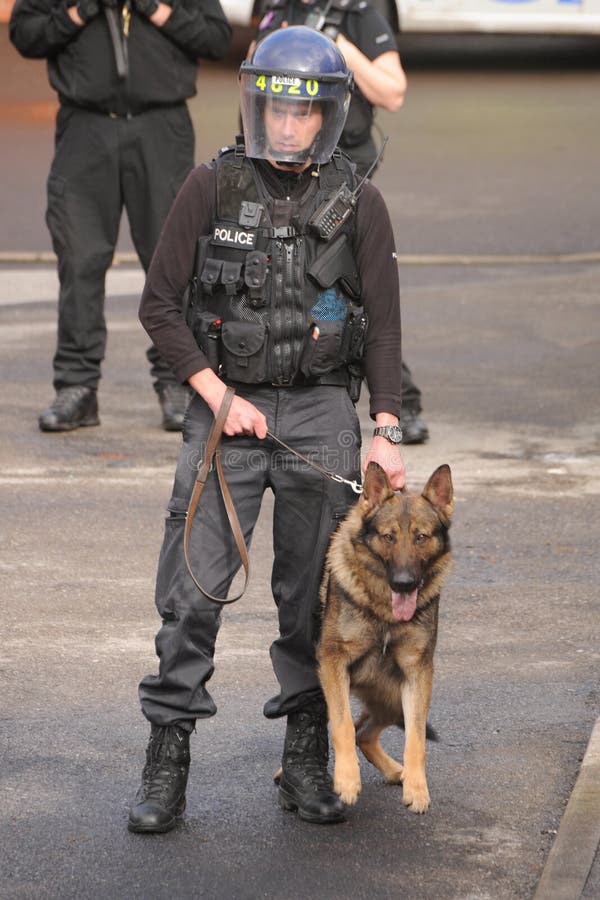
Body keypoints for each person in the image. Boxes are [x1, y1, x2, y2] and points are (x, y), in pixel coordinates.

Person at [127, 25, 406, 832]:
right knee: (192, 589)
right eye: (273, 111)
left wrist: (384, 428)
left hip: (321, 413)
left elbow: (384, 330)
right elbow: (159, 306)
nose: (286, 128)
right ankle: (167, 753)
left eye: (303, 114)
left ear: (327, 114)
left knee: (314, 600)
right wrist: (217, 395)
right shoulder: (210, 187)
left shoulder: (362, 201)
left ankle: (308, 750)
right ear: (256, 104)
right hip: (229, 410)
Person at [9, 0, 232, 432]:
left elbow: (217, 39)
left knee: (175, 262)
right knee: (80, 259)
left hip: (160, 126)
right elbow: (25, 33)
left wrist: (157, 10)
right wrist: (79, 12)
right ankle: (76, 387)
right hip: (84, 126)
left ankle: (178, 380)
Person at [249, 0, 430, 444]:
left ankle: (399, 399)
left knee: (340, 285)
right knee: (282, 280)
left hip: (341, 167)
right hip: (276, 162)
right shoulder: (274, 10)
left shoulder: (359, 15)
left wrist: (340, 51)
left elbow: (393, 92)